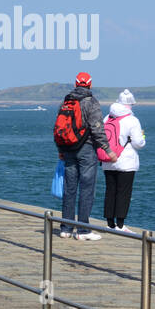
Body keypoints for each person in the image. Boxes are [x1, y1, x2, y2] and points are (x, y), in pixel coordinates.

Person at [54, 71, 111, 240]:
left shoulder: (66, 101)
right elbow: (97, 129)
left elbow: (59, 128)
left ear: (75, 83)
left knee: (69, 189)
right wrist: (107, 149)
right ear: (90, 84)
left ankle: (66, 228)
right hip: (86, 150)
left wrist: (60, 150)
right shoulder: (91, 102)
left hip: (68, 149)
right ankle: (83, 231)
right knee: (87, 189)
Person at [102, 89, 146, 232]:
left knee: (110, 191)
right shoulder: (132, 120)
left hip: (108, 160)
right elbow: (138, 143)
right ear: (130, 104)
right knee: (123, 192)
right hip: (126, 162)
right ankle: (120, 224)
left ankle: (109, 223)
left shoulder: (107, 117)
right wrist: (143, 137)